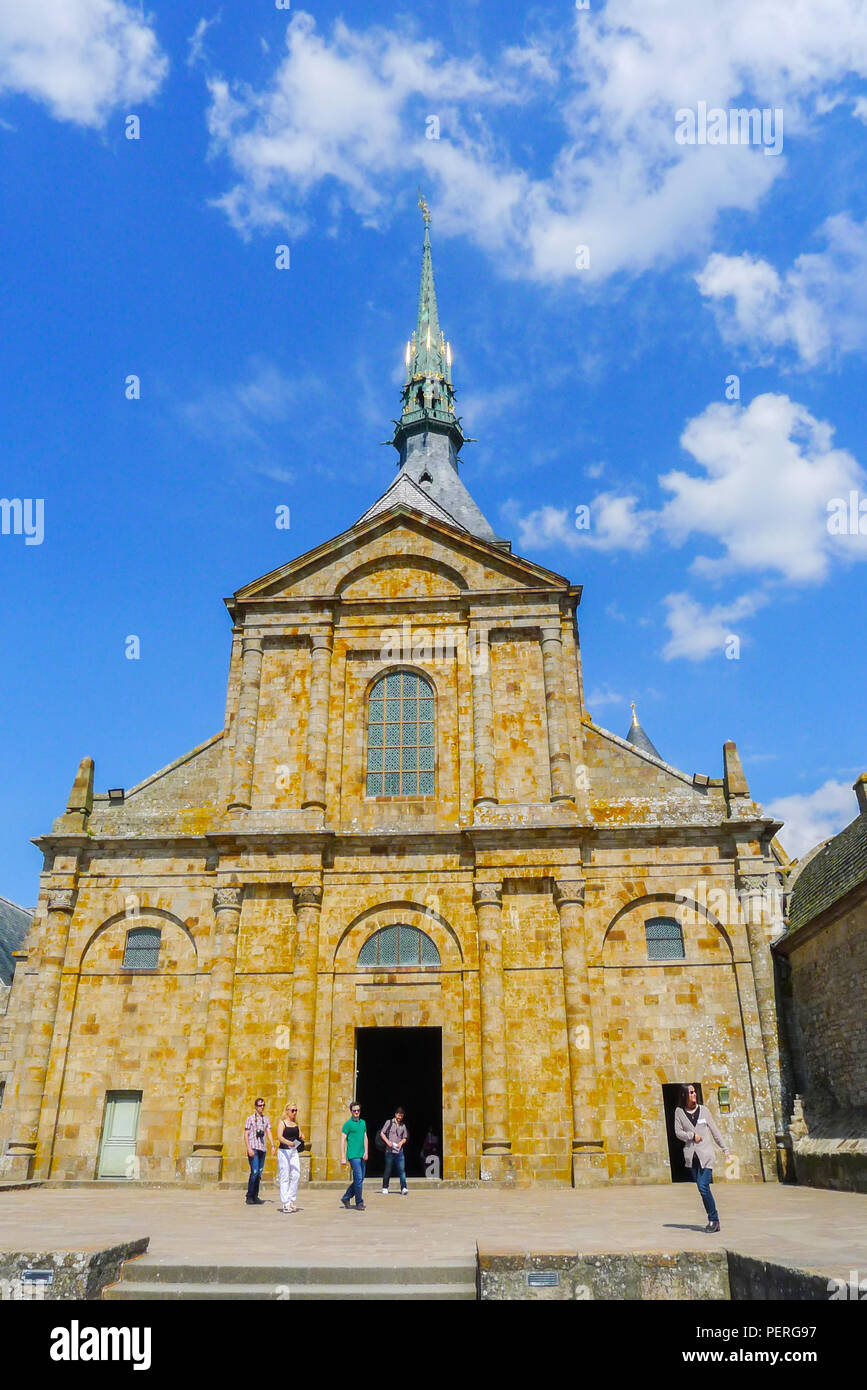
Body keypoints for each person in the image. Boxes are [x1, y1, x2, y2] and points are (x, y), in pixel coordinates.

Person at [674, 1083, 729, 1233]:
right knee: (702, 1188)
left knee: (703, 1186)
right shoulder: (679, 1112)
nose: (694, 1094)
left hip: (706, 1155)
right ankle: (713, 1220)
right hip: (692, 1157)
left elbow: (715, 1131)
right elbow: (678, 1132)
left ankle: (714, 1219)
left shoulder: (704, 1111)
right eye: (691, 1092)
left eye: (694, 1092)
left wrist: (725, 1149)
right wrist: (691, 1136)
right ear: (685, 1095)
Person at [244, 1097, 275, 1206]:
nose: (261, 1107)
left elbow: (269, 1132)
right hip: (253, 1148)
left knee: (259, 1173)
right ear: (255, 1106)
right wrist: (248, 1148)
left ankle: (255, 1196)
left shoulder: (265, 1119)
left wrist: (272, 1145)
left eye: (263, 1105)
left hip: (262, 1148)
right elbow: (246, 1134)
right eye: (259, 1105)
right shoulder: (250, 1119)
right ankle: (249, 1196)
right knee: (255, 1172)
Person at [276, 1103, 304, 1213]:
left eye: (296, 1110)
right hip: (284, 1151)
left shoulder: (296, 1123)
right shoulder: (282, 1123)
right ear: (287, 1110)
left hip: (293, 1151)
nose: (294, 1112)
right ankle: (285, 1203)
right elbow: (279, 1137)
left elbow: (299, 1134)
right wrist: (289, 1143)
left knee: (296, 1174)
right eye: (292, 1110)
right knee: (285, 1176)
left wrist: (301, 1137)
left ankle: (291, 1199)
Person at [340, 1100, 368, 1210]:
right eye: (354, 1110)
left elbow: (365, 1137)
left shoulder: (363, 1123)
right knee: (359, 1177)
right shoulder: (347, 1124)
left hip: (362, 1154)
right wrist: (343, 1157)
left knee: (360, 1179)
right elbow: (342, 1140)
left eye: (358, 1110)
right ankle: (359, 1202)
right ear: (351, 1111)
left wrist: (366, 1151)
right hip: (353, 1155)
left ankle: (346, 1197)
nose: (356, 1112)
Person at [380, 1106, 409, 1195]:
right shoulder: (389, 1122)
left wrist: (401, 1142)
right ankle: (385, 1187)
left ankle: (403, 1187)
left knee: (402, 1170)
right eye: (399, 1115)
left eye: (402, 1116)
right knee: (388, 1169)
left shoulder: (403, 1125)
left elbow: (405, 1137)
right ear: (395, 1114)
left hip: (399, 1151)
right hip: (389, 1151)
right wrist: (387, 1142)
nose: (400, 1117)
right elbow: (382, 1133)